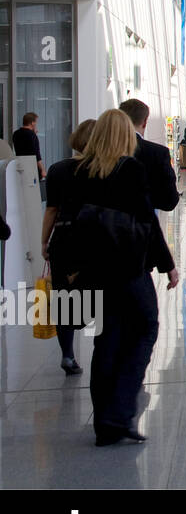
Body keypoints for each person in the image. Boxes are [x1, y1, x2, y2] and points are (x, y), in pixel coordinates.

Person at [52, 109, 178, 445]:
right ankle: (120, 412)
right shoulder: (130, 170)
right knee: (145, 328)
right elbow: (147, 223)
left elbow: (67, 221)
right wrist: (167, 264)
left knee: (106, 338)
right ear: (125, 136)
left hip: (92, 271)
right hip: (128, 267)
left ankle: (104, 423)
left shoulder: (77, 172)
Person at [40, 118, 97, 375]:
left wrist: (44, 241)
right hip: (92, 238)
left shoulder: (57, 169)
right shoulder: (102, 169)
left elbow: (51, 209)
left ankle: (68, 355)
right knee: (95, 291)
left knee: (63, 296)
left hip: (62, 238)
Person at [118, 99, 181, 212]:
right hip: (142, 220)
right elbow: (169, 201)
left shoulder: (103, 150)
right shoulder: (157, 153)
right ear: (145, 121)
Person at [12, 112, 46, 179]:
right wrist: (42, 169)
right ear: (32, 123)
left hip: (20, 166)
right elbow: (36, 154)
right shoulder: (32, 135)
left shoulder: (16, 134)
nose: (36, 124)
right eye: (36, 122)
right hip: (32, 167)